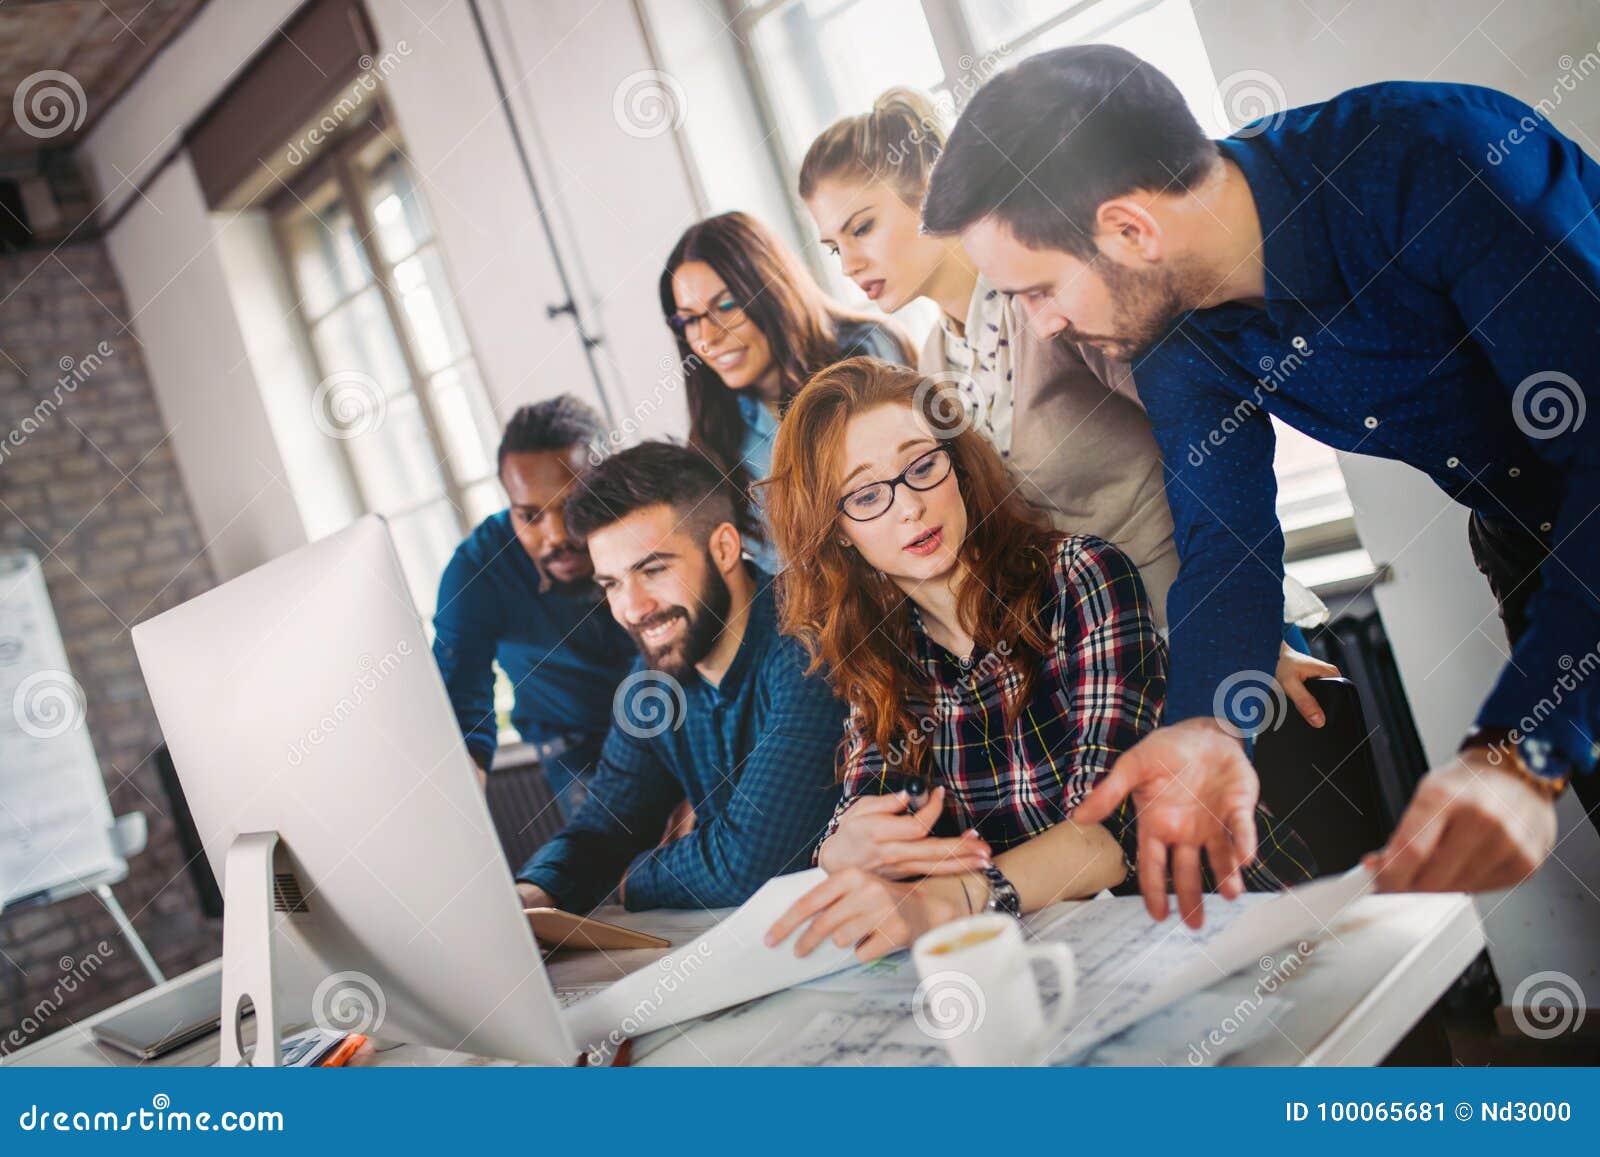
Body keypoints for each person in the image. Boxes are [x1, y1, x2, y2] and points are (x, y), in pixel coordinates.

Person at [923, 43, 1600, 921]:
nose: (1041, 325)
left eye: (1040, 288)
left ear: (1132, 229)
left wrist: (1521, 749)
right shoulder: (1175, 331)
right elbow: (1228, 542)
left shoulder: (1435, 161)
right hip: (1540, 551)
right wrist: (1204, 722)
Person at [799, 88, 1338, 725]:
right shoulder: (933, 363)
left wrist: (1249, 633)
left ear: (929, 195)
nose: (850, 263)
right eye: (834, 247)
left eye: (862, 226)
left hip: (1214, 632)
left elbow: (1216, 435)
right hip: (1103, 667)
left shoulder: (1055, 300)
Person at [758, 359, 1313, 961]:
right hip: (1076, 958)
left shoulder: (1081, 576)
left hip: (1227, 924)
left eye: (922, 466)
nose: (909, 507)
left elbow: (1111, 834)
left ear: (959, 466)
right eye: (866, 495)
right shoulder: (883, 655)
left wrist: (949, 900)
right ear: (837, 530)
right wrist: (841, 847)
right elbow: (871, 808)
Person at [513, 441, 847, 912]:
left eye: (652, 570)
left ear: (725, 548)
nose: (633, 608)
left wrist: (632, 877)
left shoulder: (806, 642)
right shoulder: (654, 677)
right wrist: (534, 894)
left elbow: (751, 863)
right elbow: (604, 826)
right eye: (611, 584)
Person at [660, 211, 914, 571]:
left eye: (727, 306)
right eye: (689, 319)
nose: (707, 337)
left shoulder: (868, 349)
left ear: (771, 291)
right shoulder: (718, 435)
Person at [432, 396, 637, 818]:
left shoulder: (645, 525)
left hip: (680, 716)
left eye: (574, 504)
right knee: (619, 871)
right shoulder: (477, 569)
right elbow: (461, 694)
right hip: (579, 750)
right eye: (530, 515)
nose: (557, 534)